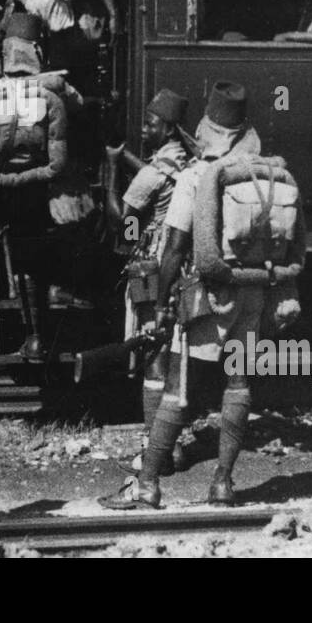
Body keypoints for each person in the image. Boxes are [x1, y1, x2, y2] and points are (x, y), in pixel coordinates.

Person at [101, 82, 267, 510]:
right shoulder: (263, 176)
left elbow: (174, 248)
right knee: (238, 385)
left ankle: (148, 485)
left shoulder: (197, 177)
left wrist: (159, 307)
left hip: (203, 299)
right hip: (249, 296)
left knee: (177, 387)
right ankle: (223, 485)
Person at [0, 13, 70, 360]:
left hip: (0, 193)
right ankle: (37, 335)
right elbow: (58, 164)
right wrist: (26, 178)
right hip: (36, 193)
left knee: (16, 258)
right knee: (36, 258)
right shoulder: (53, 98)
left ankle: (25, 332)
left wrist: (1, 179)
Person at [104, 89, 192, 466]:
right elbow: (161, 183)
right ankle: (170, 441)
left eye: (150, 123)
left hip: (151, 267)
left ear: (168, 128)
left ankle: (157, 452)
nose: (143, 129)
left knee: (151, 353)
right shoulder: (186, 161)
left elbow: (121, 223)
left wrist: (110, 168)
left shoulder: (152, 174)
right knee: (172, 352)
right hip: (183, 268)